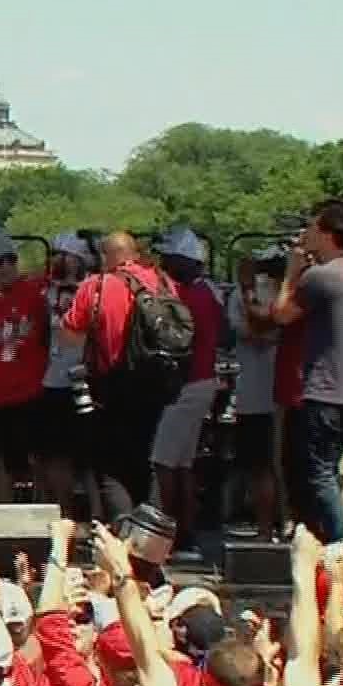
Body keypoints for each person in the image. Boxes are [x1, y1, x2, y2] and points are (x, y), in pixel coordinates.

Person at [270, 200, 343, 542]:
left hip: (322, 388)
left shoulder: (321, 276)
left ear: (328, 235)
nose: (307, 235)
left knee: (317, 474)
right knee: (329, 470)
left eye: (314, 229)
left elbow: (282, 314)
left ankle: (336, 548)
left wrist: (291, 271)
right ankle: (332, 544)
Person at [57, 231, 176, 520]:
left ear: (105, 256)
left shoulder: (97, 285)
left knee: (110, 466)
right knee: (145, 460)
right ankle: (152, 541)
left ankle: (124, 538)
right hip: (157, 384)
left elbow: (69, 335)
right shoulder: (162, 281)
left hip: (112, 385)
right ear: (134, 253)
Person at [150, 227, 227, 561]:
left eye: (170, 258)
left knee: (164, 463)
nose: (164, 262)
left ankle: (168, 536)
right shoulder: (207, 292)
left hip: (187, 384)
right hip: (201, 382)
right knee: (182, 464)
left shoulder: (189, 296)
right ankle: (185, 535)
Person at [0, 233, 49, 504]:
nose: (5, 267)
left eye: (10, 260)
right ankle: (1, 513)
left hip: (28, 392)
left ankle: (42, 514)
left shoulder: (35, 294)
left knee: (34, 459)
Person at [36, 233, 99, 516]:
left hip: (81, 379)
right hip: (53, 378)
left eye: (66, 255)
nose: (59, 261)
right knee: (51, 455)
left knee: (88, 457)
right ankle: (61, 514)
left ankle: (98, 515)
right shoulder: (48, 290)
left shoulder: (91, 289)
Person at [230, 253, 286, 540]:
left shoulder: (288, 298)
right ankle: (267, 526)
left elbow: (262, 325)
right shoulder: (242, 297)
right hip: (252, 392)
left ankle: (273, 527)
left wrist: (248, 290)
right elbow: (250, 331)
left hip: (279, 393)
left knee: (271, 466)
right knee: (257, 465)